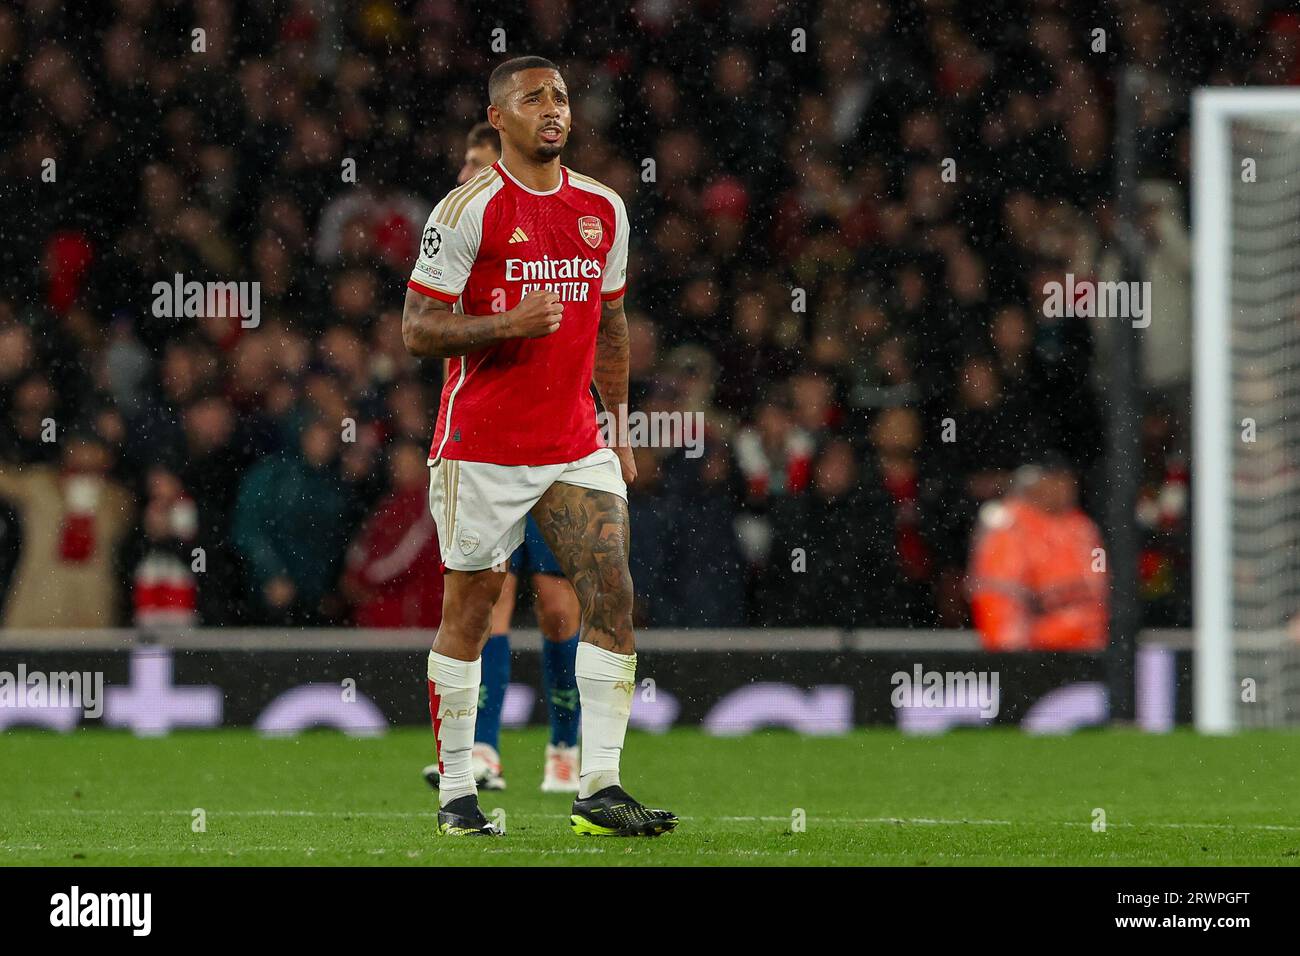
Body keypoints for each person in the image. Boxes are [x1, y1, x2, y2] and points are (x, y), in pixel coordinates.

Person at [402, 56, 676, 837]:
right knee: (472, 610)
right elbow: (416, 328)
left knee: (611, 590)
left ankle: (598, 785)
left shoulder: (603, 209)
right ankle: (459, 791)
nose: (552, 109)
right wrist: (503, 325)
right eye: (533, 99)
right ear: (499, 118)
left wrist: (617, 427)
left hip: (572, 442)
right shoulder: (466, 211)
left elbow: (613, 321)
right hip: (481, 447)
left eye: (560, 96)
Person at [420, 121, 584, 794]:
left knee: (557, 608)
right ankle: (481, 751)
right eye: (462, 160)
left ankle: (566, 744)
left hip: (551, 445)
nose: (466, 172)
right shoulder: (458, 236)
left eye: (477, 161)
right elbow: (424, 328)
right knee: (488, 597)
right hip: (482, 449)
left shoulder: (549, 229)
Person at [967, 456, 1108, 651]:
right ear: (1034, 483)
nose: (1063, 487)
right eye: (1054, 479)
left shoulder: (1083, 528)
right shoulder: (1009, 525)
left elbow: (1101, 589)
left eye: (1066, 479)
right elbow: (997, 597)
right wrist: (1015, 658)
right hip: (1037, 655)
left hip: (1090, 651)